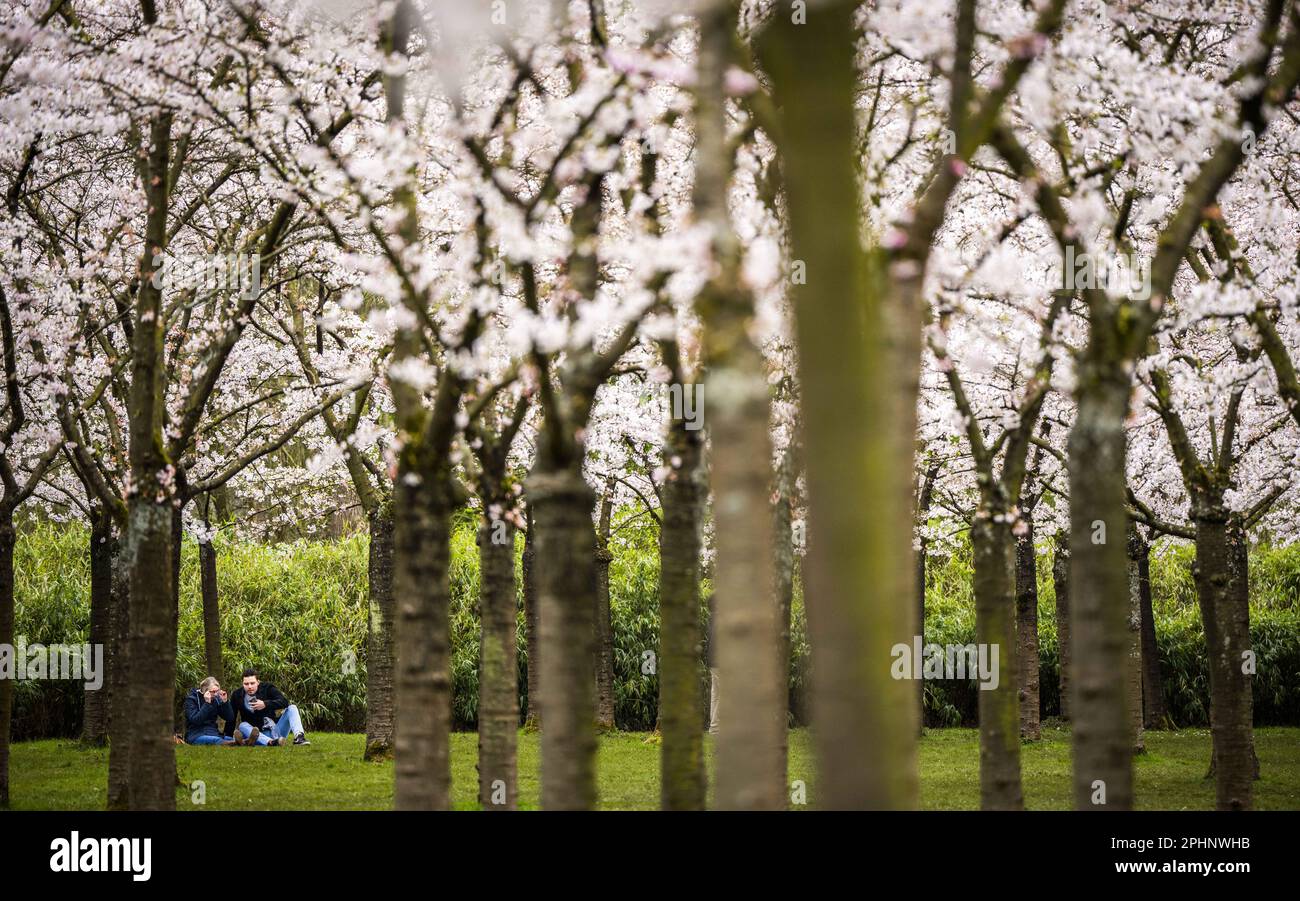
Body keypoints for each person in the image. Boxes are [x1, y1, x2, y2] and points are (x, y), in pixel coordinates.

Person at [224, 667, 311, 746]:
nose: (249, 687)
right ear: (242, 683)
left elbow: (284, 702)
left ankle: (299, 738)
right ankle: (271, 742)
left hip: (276, 730)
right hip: (256, 734)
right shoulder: (237, 695)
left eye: (252, 683)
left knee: (292, 708)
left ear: (258, 682)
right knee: (242, 725)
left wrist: (265, 704)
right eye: (246, 684)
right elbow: (232, 717)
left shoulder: (267, 688)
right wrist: (227, 737)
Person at [184, 677, 258, 746]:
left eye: (217, 691)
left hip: (213, 732)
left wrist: (225, 702)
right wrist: (207, 703)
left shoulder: (215, 699)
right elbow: (196, 720)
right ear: (204, 691)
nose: (216, 694)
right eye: (213, 691)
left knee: (227, 738)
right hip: (196, 734)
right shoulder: (191, 700)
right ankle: (243, 742)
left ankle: (244, 741)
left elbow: (230, 718)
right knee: (216, 740)